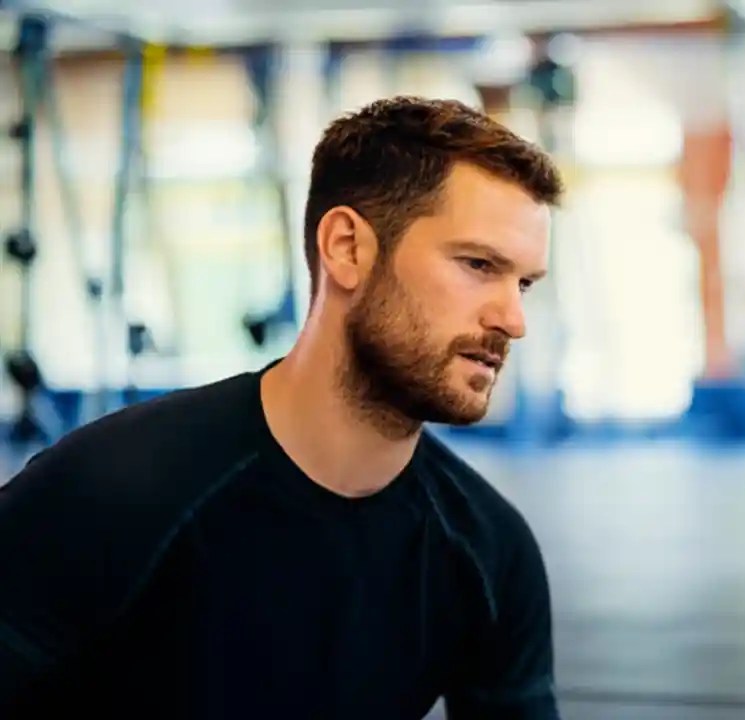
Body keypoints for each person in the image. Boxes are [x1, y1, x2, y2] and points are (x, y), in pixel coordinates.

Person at [0, 96, 565, 719]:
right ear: (347, 248)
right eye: (478, 264)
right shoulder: (108, 491)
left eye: (525, 284)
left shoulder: (490, 555)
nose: (512, 320)